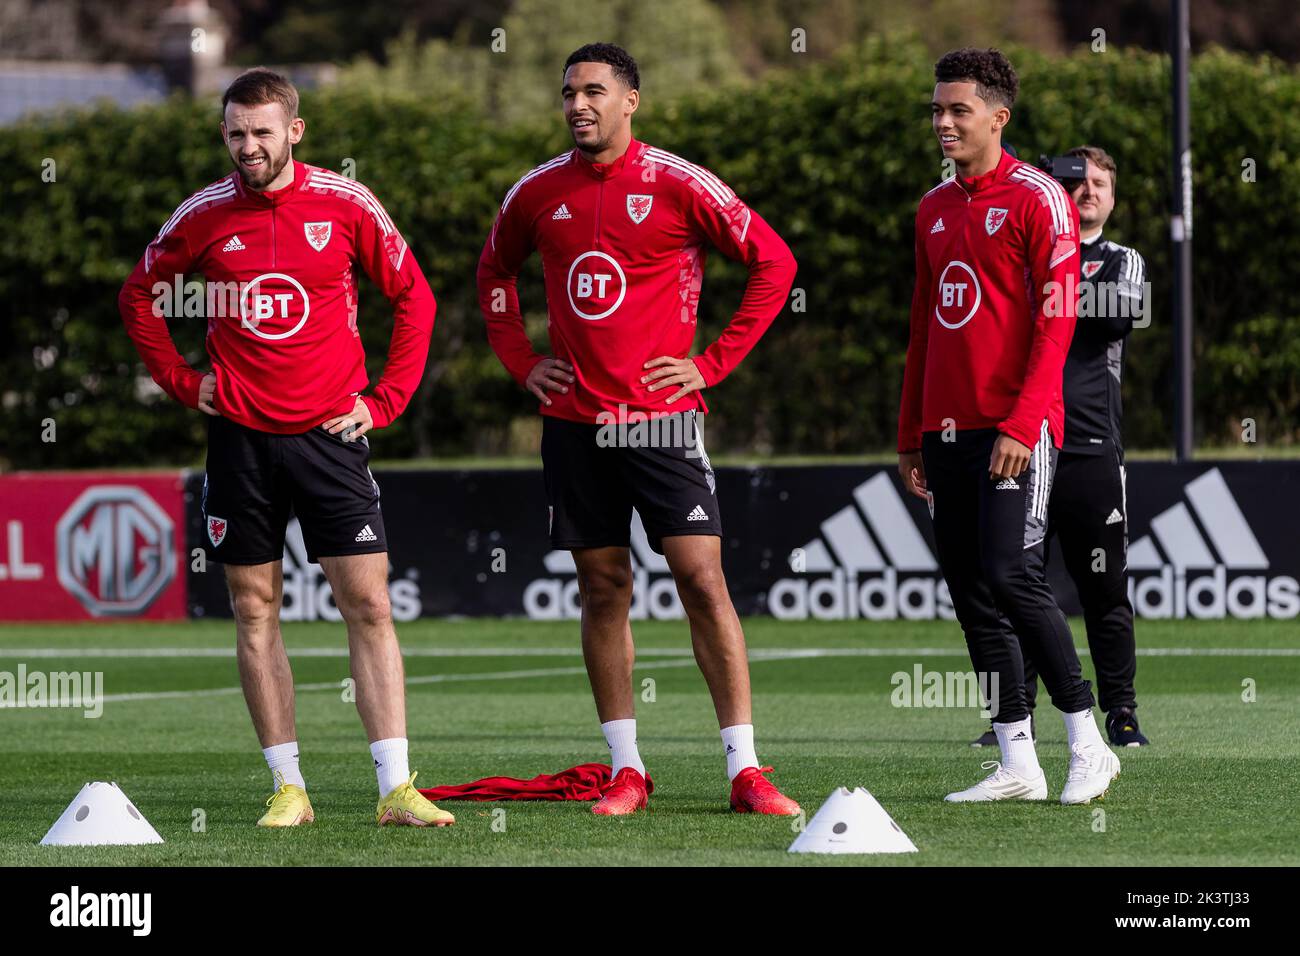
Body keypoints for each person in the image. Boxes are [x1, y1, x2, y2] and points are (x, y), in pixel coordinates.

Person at [118, 67, 453, 828]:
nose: (248, 147)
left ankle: (396, 788)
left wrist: (385, 401)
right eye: (235, 133)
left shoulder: (345, 202)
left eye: (262, 132)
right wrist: (179, 378)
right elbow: (138, 294)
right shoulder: (203, 215)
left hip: (331, 436)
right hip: (239, 440)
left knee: (367, 602)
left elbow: (416, 299)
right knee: (253, 607)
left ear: (294, 131)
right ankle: (288, 788)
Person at [477, 43, 801, 816]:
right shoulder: (536, 193)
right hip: (573, 427)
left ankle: (745, 770)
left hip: (660, 424)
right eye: (568, 93)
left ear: (631, 102)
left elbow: (775, 263)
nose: (578, 105)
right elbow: (494, 276)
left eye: (594, 91)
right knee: (602, 588)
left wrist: (712, 362)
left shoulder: (679, 182)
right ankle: (627, 770)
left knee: (701, 578)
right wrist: (523, 360)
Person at [897, 48, 1122, 804]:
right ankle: (1016, 761)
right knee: (970, 592)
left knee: (1011, 575)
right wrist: (909, 434)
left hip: (1014, 428)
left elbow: (1056, 324)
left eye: (958, 110)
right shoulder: (932, 208)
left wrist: (1024, 425)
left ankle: (1089, 743)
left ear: (999, 116)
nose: (944, 123)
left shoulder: (1038, 197)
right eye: (937, 110)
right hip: (945, 433)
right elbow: (924, 330)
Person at [972, 146, 1149, 748]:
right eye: (1075, 181)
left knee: (1104, 589)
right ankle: (1011, 718)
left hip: (1092, 448)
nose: (1088, 190)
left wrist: (1051, 287)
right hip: (1025, 437)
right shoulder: (1028, 256)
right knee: (1013, 581)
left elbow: (1122, 315)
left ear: (1113, 195)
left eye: (1100, 181)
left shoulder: (1122, 260)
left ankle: (1121, 714)